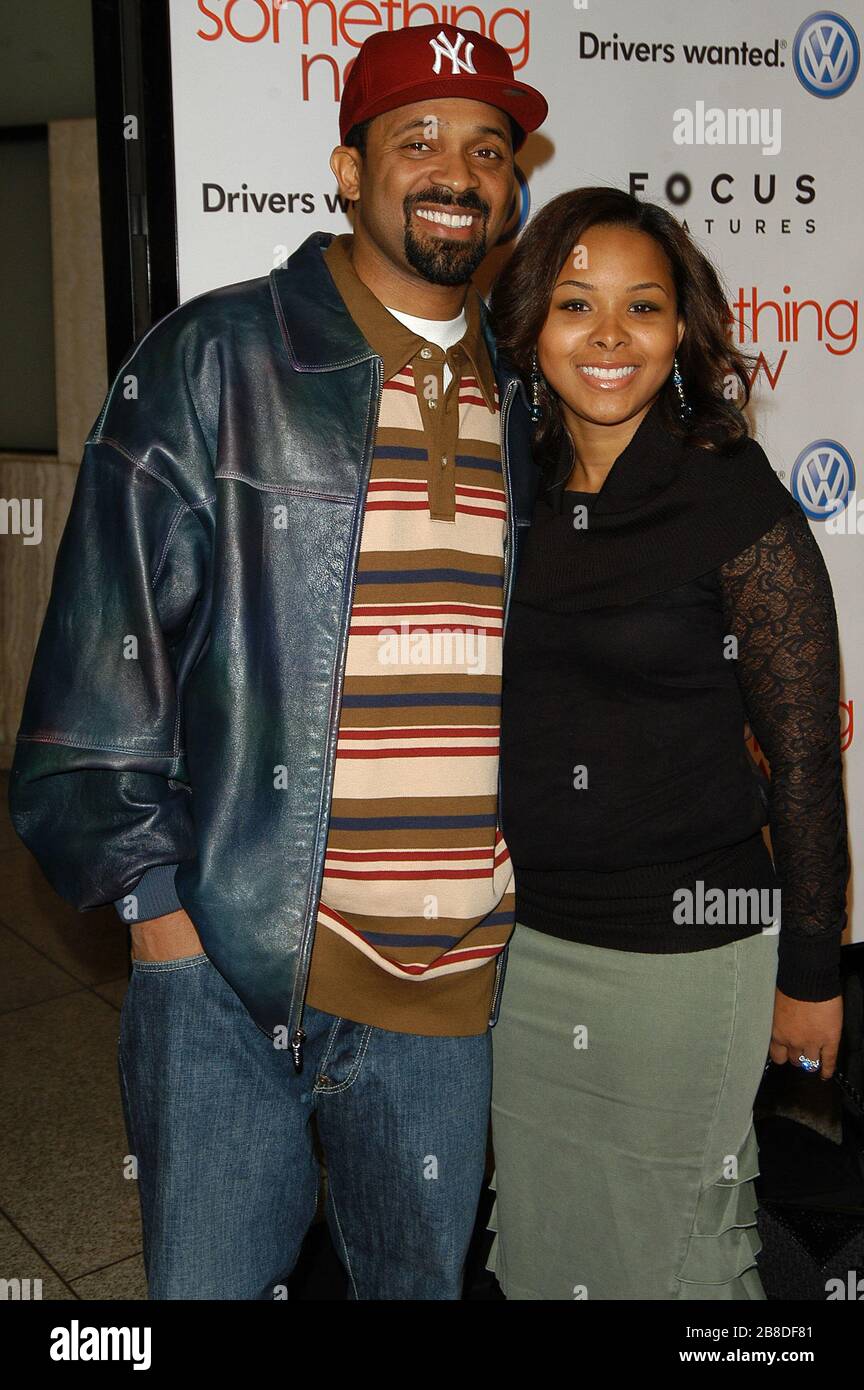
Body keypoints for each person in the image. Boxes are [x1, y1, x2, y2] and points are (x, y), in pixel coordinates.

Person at [8, 23, 547, 1300]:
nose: (456, 171)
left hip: (455, 983)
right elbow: (93, 692)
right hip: (229, 978)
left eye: (486, 146)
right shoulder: (214, 362)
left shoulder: (535, 398)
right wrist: (161, 919)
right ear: (347, 174)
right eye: (416, 139)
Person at [483, 187, 850, 1300]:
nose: (607, 336)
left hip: (690, 951)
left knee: (680, 1257)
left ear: (682, 329)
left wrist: (812, 975)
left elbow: (804, 763)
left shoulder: (732, 499)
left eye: (641, 306)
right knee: (547, 1248)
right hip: (524, 951)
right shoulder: (513, 491)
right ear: (531, 326)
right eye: (575, 303)